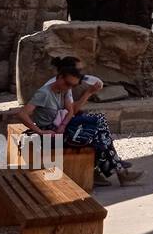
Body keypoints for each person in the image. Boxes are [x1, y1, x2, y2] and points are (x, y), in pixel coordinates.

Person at [15, 56, 143, 186]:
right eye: (67, 84)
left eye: (72, 86)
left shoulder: (63, 90)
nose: (68, 87)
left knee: (100, 121)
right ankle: (117, 170)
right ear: (59, 77)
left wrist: (63, 125)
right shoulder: (44, 93)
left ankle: (114, 171)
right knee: (96, 135)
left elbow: (70, 111)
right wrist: (40, 132)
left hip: (62, 128)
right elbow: (22, 114)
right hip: (51, 135)